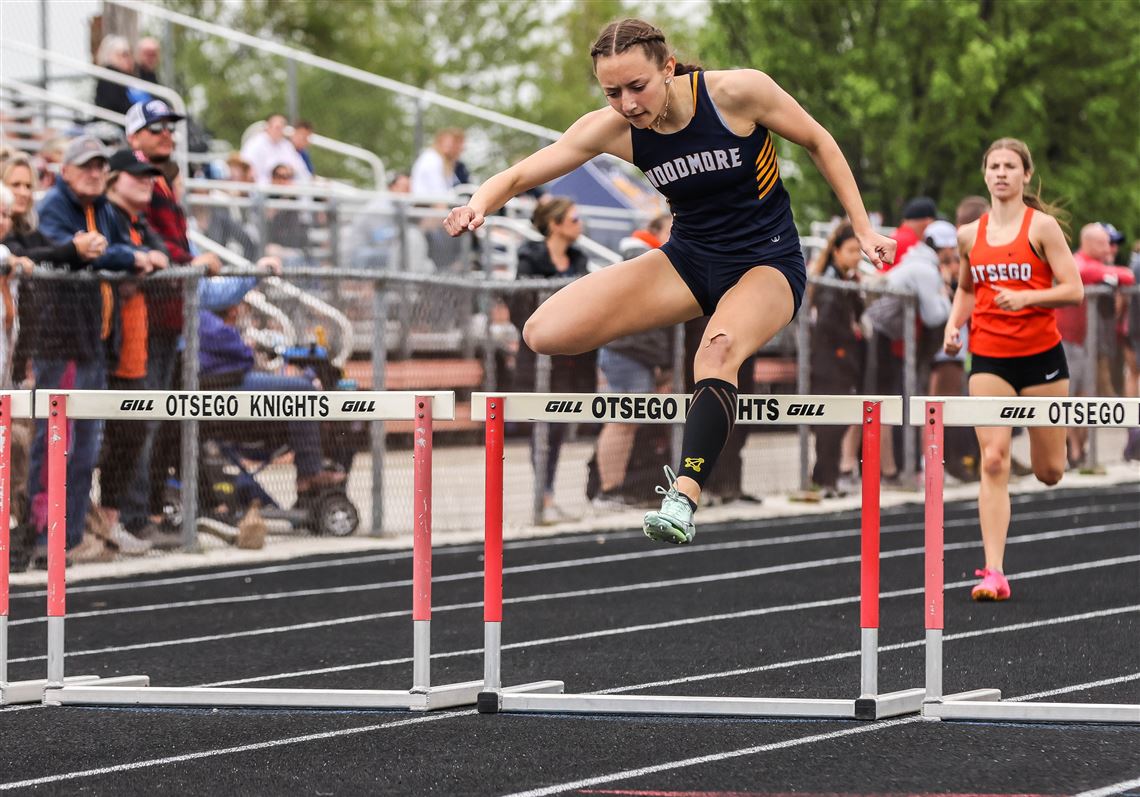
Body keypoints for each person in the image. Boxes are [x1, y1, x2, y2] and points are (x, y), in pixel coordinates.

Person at [444, 18, 895, 544]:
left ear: (669, 68)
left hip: (766, 261)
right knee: (544, 332)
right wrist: (476, 205)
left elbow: (819, 141)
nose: (628, 104)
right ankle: (658, 376)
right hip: (688, 260)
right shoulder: (613, 128)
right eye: (612, 92)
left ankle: (683, 494)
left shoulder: (736, 93)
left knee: (716, 352)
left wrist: (861, 228)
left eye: (638, 86)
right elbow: (523, 174)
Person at [942, 137, 1083, 601]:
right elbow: (966, 289)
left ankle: (1047, 465)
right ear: (985, 174)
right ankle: (994, 572)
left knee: (1049, 471)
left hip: (1042, 358)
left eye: (1010, 166)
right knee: (994, 458)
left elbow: (1074, 289)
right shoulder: (968, 235)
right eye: (994, 166)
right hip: (989, 358)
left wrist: (1027, 297)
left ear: (1026, 175)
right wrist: (953, 324)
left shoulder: (1040, 228)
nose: (1001, 173)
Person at [30, 136, 140, 555]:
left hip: (96, 344)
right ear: (67, 170)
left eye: (100, 166)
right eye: (86, 166)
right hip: (62, 345)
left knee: (85, 450)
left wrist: (123, 255)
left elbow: (118, 250)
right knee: (56, 443)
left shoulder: (105, 209)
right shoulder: (56, 205)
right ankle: (45, 536)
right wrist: (116, 256)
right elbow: (77, 252)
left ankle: (70, 537)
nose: (95, 173)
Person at [97, 149, 173, 554]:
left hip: (135, 348)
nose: (146, 182)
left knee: (131, 434)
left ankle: (110, 522)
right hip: (105, 346)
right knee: (92, 438)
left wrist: (148, 259)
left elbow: (167, 257)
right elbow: (113, 267)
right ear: (114, 179)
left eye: (150, 177)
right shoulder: (107, 216)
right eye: (137, 175)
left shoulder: (139, 220)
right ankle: (67, 529)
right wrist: (135, 260)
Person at [506, 197, 594, 524]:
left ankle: (547, 495)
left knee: (557, 429)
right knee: (541, 427)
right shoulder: (530, 256)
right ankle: (542, 496)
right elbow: (521, 306)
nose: (579, 223)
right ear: (555, 224)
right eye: (573, 218)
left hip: (569, 356)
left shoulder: (579, 259)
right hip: (538, 353)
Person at [593, 213, 675, 506]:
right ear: (655, 229)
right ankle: (607, 489)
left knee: (627, 421)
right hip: (626, 352)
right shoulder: (642, 255)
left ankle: (611, 488)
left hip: (634, 353)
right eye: (673, 226)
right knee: (622, 420)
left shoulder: (646, 255)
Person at [1055, 223, 1135, 466]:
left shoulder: (1096, 264)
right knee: (1070, 397)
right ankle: (1075, 451)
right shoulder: (1078, 263)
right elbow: (1120, 275)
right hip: (1068, 340)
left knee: (1084, 396)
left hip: (1084, 341)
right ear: (1088, 243)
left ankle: (1081, 448)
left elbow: (1124, 276)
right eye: (1102, 243)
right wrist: (1109, 275)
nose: (1109, 248)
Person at [807, 222, 865, 497]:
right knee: (829, 422)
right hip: (830, 363)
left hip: (840, 362)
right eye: (851, 250)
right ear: (837, 251)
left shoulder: (846, 280)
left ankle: (825, 478)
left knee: (838, 421)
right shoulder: (829, 281)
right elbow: (828, 324)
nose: (856, 256)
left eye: (858, 251)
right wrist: (850, 336)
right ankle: (824, 478)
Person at [240, 113, 309, 185]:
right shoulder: (255, 144)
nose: (279, 130)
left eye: (282, 127)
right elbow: (248, 171)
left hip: (287, 189)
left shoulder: (286, 146)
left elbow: (301, 170)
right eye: (277, 127)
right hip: (262, 189)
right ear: (268, 127)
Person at [410, 128, 466, 196]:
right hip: (427, 205)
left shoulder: (443, 162)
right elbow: (439, 196)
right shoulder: (432, 160)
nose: (460, 149)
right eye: (455, 144)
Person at [93, 35, 135, 116]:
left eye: (130, 54)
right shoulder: (109, 78)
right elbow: (117, 106)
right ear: (110, 55)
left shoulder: (122, 78)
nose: (129, 59)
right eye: (124, 54)